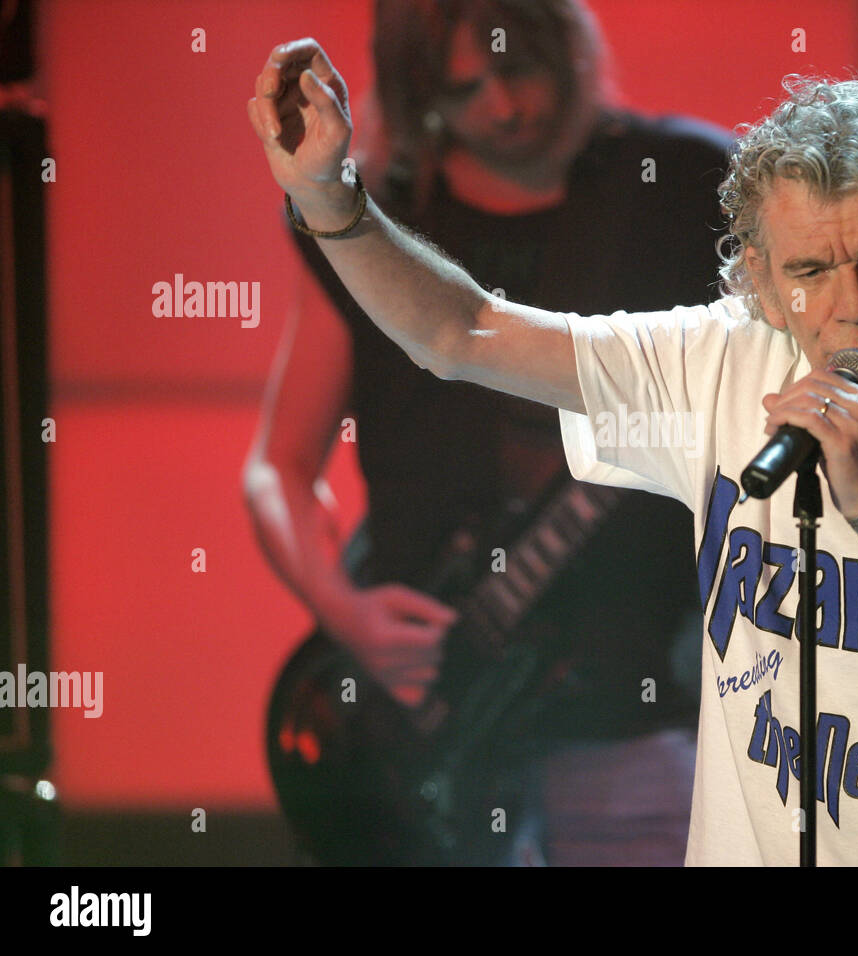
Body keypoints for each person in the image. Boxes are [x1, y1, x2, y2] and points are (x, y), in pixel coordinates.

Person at [246, 38, 858, 865]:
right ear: (760, 278)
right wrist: (334, 203)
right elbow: (463, 331)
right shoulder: (722, 355)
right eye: (809, 272)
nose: (850, 305)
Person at [242, 1, 731, 865]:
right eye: (466, 86)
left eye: (524, 68)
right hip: (424, 711)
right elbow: (278, 467)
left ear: (572, 48)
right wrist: (341, 608)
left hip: (634, 701)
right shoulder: (373, 217)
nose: (505, 105)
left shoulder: (686, 183)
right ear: (417, 90)